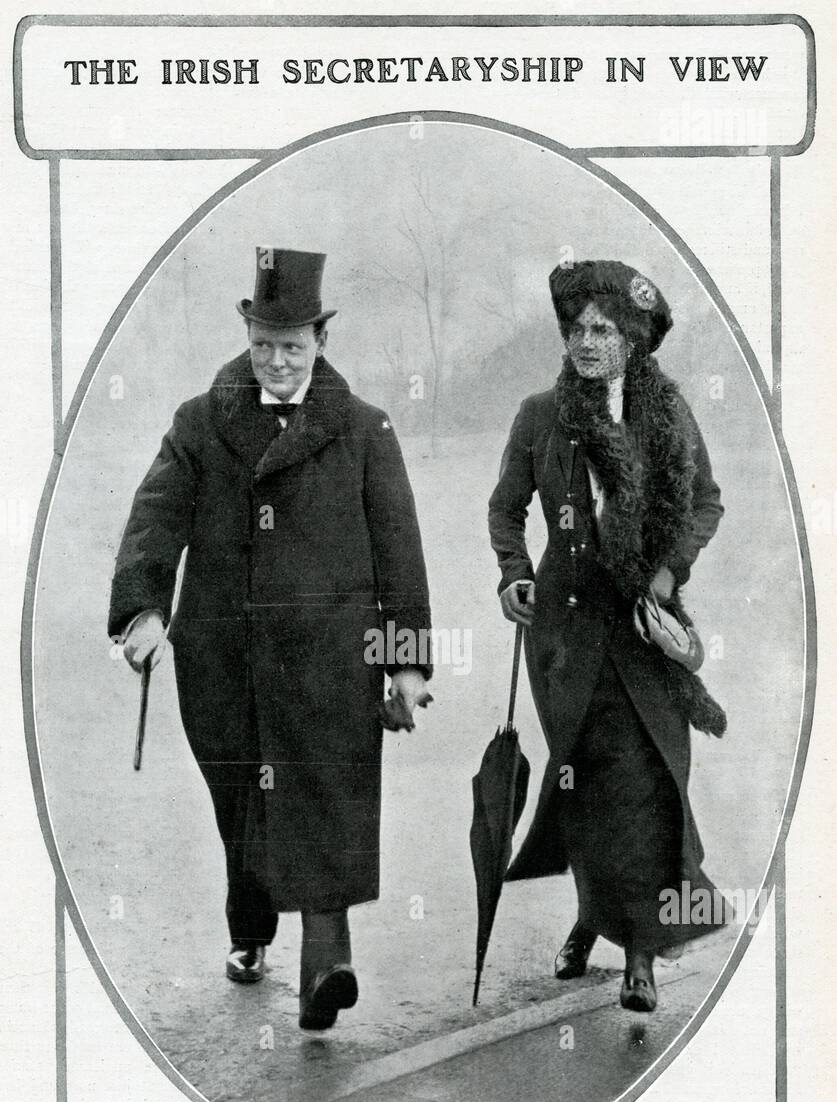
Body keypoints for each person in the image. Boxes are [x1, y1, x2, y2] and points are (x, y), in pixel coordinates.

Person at [109, 247, 432, 1030]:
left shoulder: (363, 429)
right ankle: (252, 933)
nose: (278, 360)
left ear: (321, 338)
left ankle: (328, 962)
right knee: (242, 803)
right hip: (225, 655)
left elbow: (399, 552)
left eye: (293, 345)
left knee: (324, 797)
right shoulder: (199, 422)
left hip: (330, 658)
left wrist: (406, 663)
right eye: (264, 344)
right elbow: (156, 519)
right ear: (245, 332)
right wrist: (143, 612)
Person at [488, 259, 727, 1012]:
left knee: (650, 783)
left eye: (604, 329)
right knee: (586, 786)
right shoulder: (538, 415)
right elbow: (505, 509)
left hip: (642, 629)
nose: (586, 342)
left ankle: (640, 960)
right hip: (564, 634)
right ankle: (593, 926)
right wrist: (512, 575)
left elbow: (705, 505)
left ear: (633, 341)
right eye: (576, 329)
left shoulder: (667, 415)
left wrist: (664, 579)